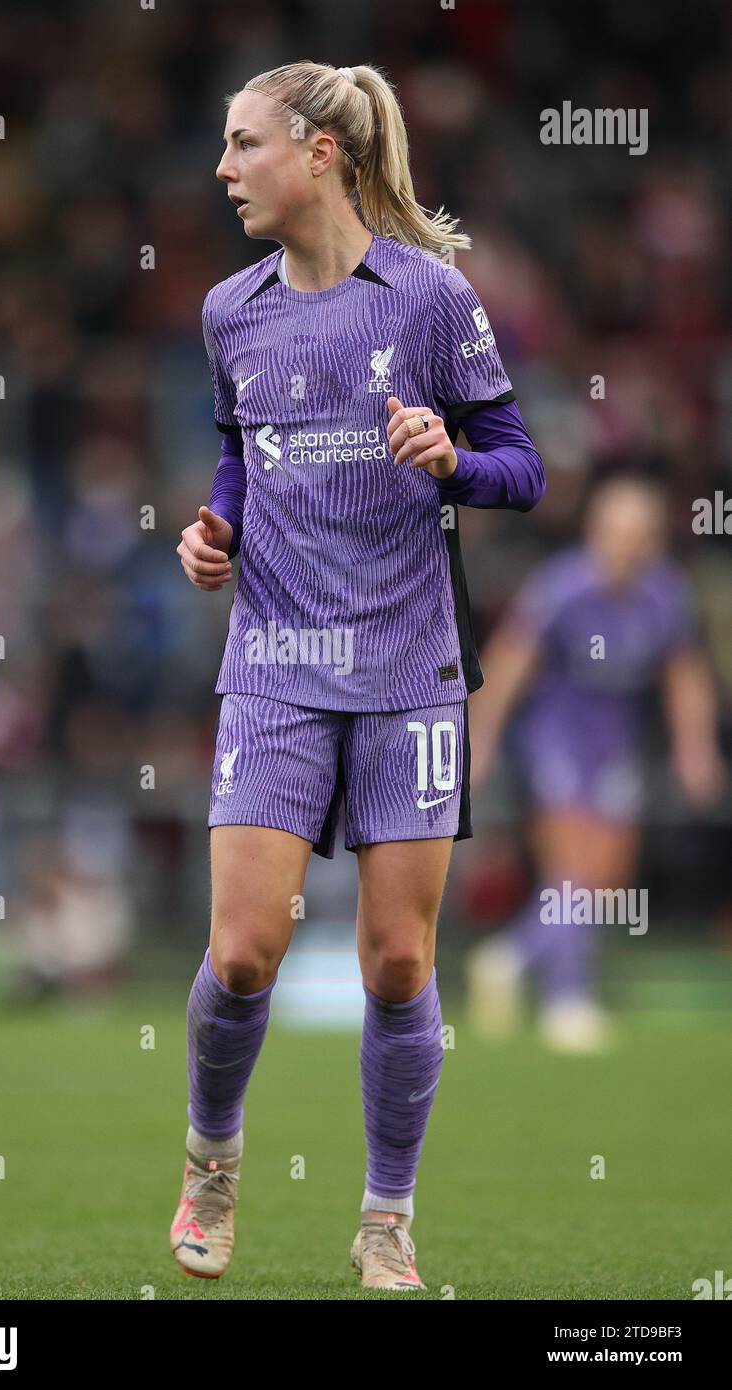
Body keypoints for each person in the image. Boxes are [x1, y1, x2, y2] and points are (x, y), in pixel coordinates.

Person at [173, 60, 545, 1290]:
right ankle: (212, 1165)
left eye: (242, 145)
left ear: (318, 150)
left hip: (406, 665)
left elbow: (520, 467)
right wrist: (214, 530)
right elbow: (239, 454)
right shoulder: (231, 309)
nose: (223, 169)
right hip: (275, 661)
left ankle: (385, 1218)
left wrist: (449, 460)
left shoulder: (430, 299)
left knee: (397, 965)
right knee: (241, 954)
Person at [465, 475, 726, 1054]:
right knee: (572, 868)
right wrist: (479, 741)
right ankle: (567, 1000)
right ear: (595, 532)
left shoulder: (665, 594)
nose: (624, 546)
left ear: (653, 540)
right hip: (556, 739)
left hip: (616, 746)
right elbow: (508, 665)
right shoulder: (562, 589)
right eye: (614, 532)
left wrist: (695, 748)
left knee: (604, 880)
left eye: (637, 535)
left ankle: (510, 958)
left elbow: (684, 676)